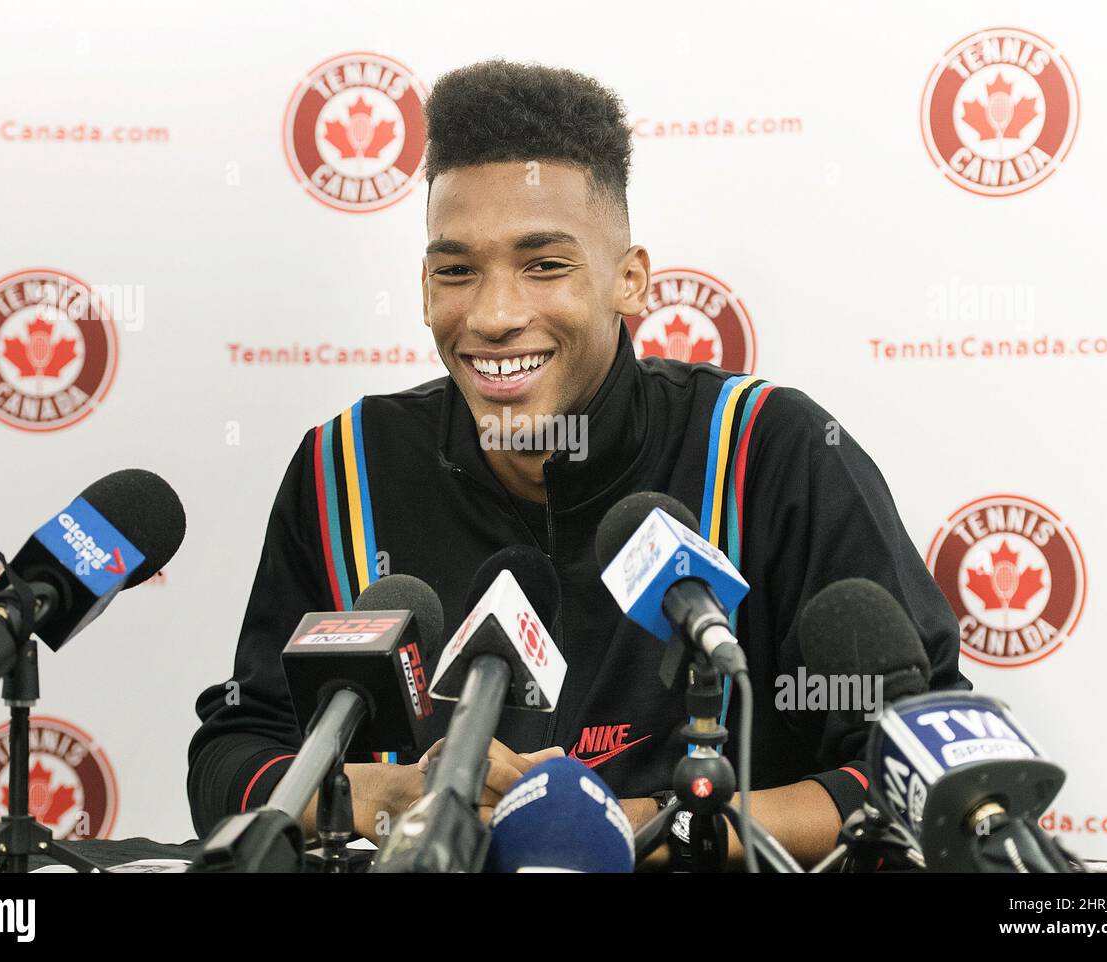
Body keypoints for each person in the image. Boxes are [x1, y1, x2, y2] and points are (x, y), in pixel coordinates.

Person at [188, 59, 967, 868]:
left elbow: (921, 768)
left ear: (629, 281)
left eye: (544, 265)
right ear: (424, 289)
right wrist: (391, 799)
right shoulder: (344, 468)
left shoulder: (769, 448)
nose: (493, 315)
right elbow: (232, 760)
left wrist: (613, 827)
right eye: (456, 270)